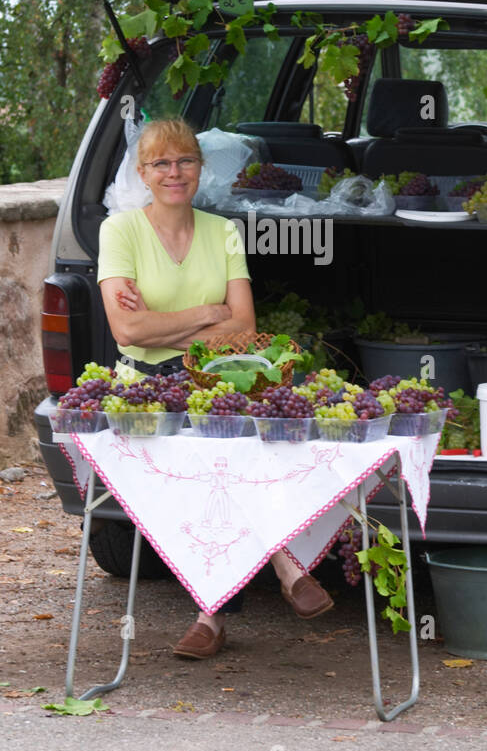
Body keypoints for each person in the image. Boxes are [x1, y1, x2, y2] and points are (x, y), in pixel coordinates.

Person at [97, 116, 333, 659]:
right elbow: (129, 331)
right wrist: (207, 314)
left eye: (185, 161)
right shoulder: (121, 232)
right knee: (215, 469)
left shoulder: (222, 231)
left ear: (201, 170)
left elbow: (245, 329)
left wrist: (165, 318)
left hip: (212, 383)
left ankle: (211, 617)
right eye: (161, 163)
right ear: (143, 172)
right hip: (145, 391)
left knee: (234, 463)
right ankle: (286, 567)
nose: (174, 172)